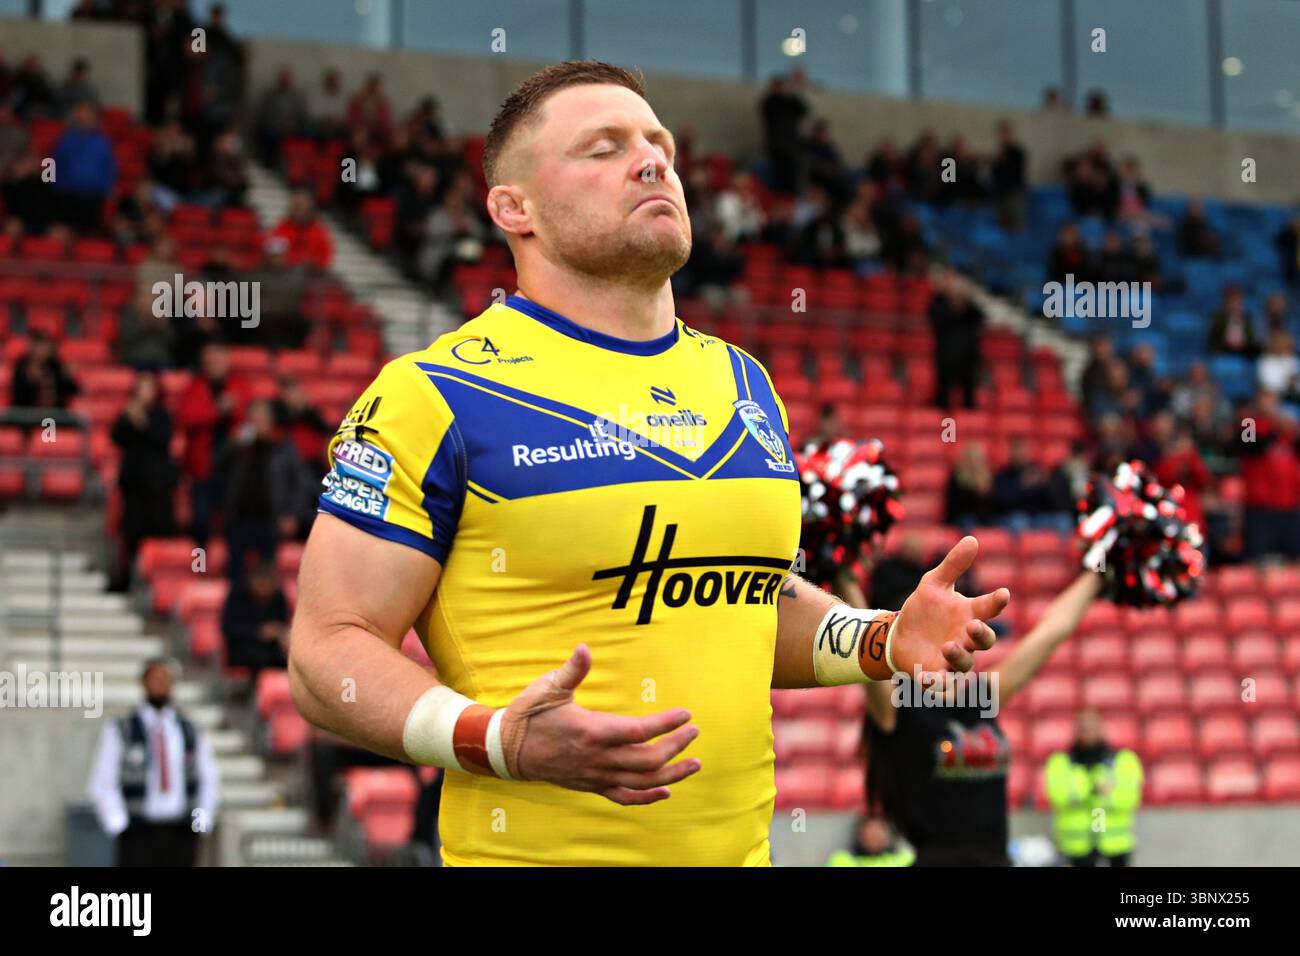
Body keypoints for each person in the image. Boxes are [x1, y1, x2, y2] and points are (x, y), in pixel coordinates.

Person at [288, 61, 1009, 868]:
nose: (652, 160)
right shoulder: (436, 394)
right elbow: (325, 655)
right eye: (603, 148)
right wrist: (497, 740)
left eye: (658, 144)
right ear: (511, 206)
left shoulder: (743, 381)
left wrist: (876, 638)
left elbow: (743, 602)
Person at [865, 572, 1102, 866]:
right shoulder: (898, 704)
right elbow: (864, 646)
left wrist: (1100, 567)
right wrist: (841, 571)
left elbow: (1053, 629)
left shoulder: (981, 697)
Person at [86, 658, 221, 866]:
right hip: (139, 831)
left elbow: (208, 776)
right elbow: (104, 779)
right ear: (143, 683)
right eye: (155, 679)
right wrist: (118, 823)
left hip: (180, 830)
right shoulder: (122, 729)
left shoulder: (189, 729)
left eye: (165, 679)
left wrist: (201, 821)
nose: (160, 684)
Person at [1044, 708, 1144, 866]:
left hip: (1115, 846)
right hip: (1075, 847)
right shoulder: (1060, 762)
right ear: (1075, 730)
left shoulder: (1124, 760)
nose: (1088, 733)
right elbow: (1058, 796)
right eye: (1083, 728)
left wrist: (1096, 795)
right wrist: (1094, 789)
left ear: (1102, 728)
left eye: (1092, 727)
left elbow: (1129, 798)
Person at [109, 372, 177, 592]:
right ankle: (126, 579)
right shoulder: (128, 413)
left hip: (157, 488)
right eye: (142, 387)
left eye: (149, 387)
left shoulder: (163, 416)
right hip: (134, 486)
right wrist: (129, 418)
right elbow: (116, 436)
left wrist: (141, 422)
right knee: (130, 535)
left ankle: (155, 585)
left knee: (157, 537)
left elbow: (162, 439)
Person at [221, 559, 290, 680]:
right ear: (251, 581)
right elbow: (228, 627)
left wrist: (277, 631)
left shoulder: (278, 597)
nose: (264, 588)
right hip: (242, 646)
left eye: (268, 584)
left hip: (271, 647)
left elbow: (282, 623)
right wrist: (258, 632)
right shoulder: (237, 595)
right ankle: (259, 693)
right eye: (261, 583)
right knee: (260, 658)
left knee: (285, 658)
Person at [928, 271, 984, 411]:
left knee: (968, 402)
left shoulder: (972, 314)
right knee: (943, 400)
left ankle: (968, 425)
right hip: (946, 359)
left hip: (967, 361)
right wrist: (947, 298)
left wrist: (967, 300)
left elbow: (980, 318)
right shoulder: (939, 306)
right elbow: (934, 317)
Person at [9, 330, 79, 411]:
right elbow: (17, 397)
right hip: (28, 417)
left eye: (45, 345)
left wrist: (68, 378)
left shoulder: (56, 366)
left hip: (55, 416)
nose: (43, 350)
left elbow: (72, 392)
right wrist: (29, 381)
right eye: (40, 346)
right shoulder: (22, 365)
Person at [826, 815, 915, 867]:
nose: (874, 836)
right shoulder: (841, 860)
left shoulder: (905, 859)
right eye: (870, 832)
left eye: (879, 831)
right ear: (860, 835)